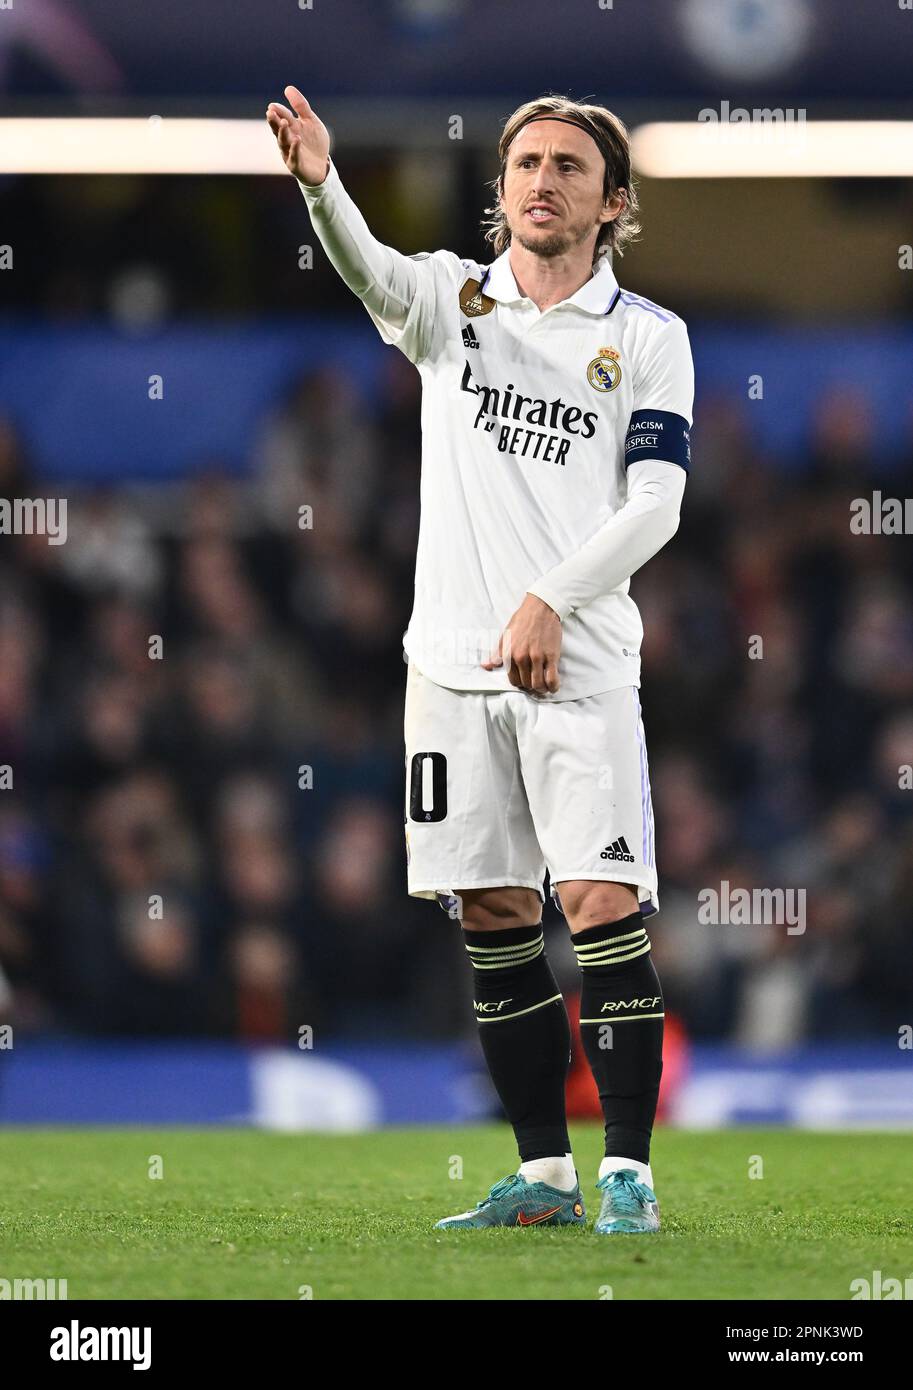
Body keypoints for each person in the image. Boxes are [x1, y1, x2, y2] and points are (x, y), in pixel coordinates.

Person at [267, 87, 694, 1234]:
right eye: (524, 164)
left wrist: (550, 599)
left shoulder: (646, 337)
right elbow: (364, 268)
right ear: (500, 189)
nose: (541, 180)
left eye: (567, 165)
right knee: (494, 913)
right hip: (449, 672)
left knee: (600, 902)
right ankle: (546, 1174)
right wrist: (321, 181)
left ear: (613, 202)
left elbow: (657, 505)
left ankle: (630, 1179)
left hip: (581, 670)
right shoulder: (453, 300)